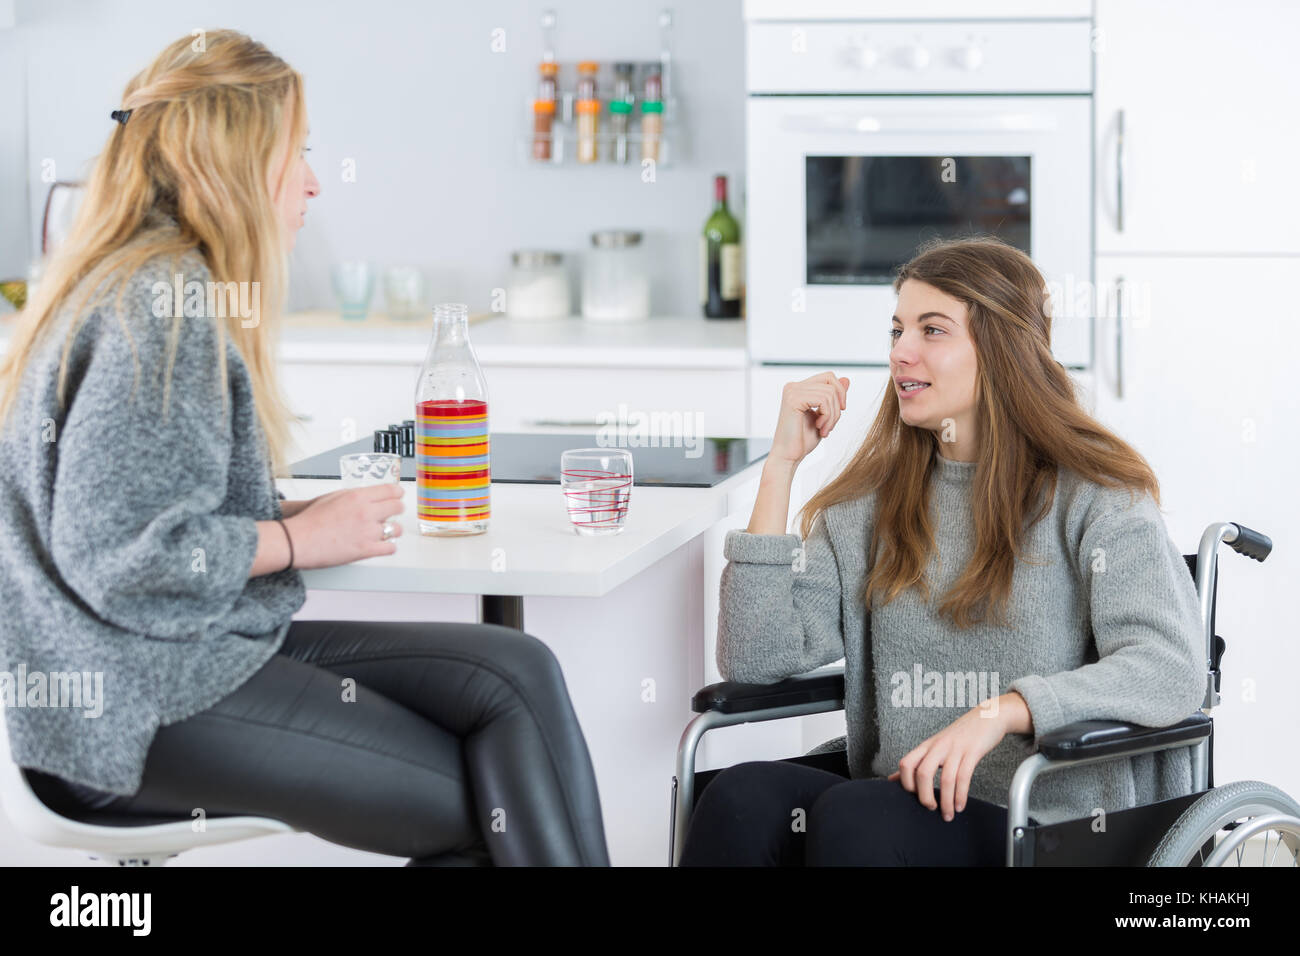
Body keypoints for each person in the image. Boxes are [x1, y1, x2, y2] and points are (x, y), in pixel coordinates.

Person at [0, 30, 609, 867]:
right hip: (132, 697)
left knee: (515, 673)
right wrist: (296, 541)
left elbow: (148, 511)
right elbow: (117, 555)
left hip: (180, 651)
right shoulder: (161, 305)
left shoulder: (154, 281)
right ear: (237, 163)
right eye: (299, 153)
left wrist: (291, 513)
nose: (316, 183)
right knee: (493, 810)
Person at [680, 235, 1205, 866]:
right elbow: (754, 657)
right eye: (897, 330)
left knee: (859, 815)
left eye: (932, 330)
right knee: (741, 796)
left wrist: (1004, 711)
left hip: (1044, 821)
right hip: (893, 805)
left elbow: (1171, 666)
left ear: (1003, 351)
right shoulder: (872, 506)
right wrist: (782, 464)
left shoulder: (1096, 499)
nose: (901, 352)